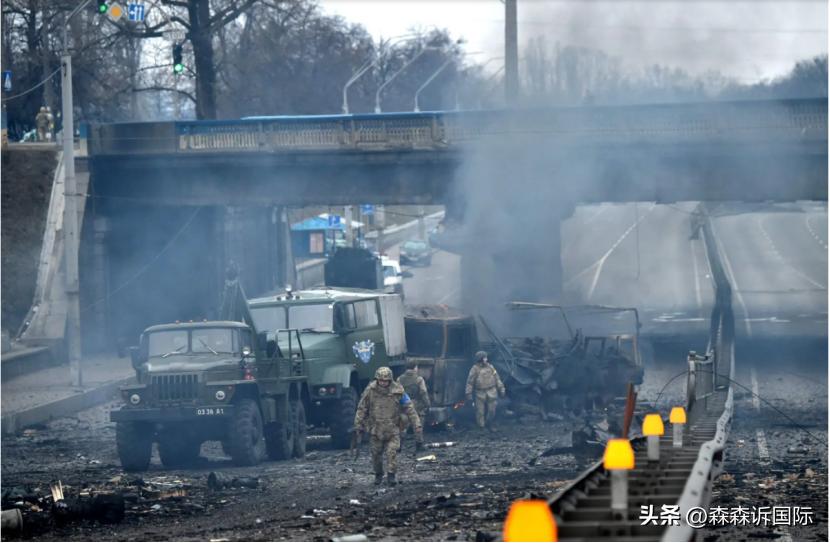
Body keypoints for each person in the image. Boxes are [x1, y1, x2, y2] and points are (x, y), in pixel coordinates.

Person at [354, 366, 423, 486]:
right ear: (377, 379)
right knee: (376, 455)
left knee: (392, 453)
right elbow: (362, 408)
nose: (383, 383)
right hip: (376, 429)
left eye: (385, 381)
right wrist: (358, 425)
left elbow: (409, 408)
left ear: (390, 380)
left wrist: (416, 423)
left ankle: (391, 475)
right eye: (381, 380)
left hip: (393, 429)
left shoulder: (398, 391)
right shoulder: (370, 390)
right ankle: (378, 474)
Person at [465, 351, 505, 430]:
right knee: (480, 412)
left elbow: (497, 378)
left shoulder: (490, 367)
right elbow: (470, 382)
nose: (486, 359)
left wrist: (501, 388)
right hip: (480, 392)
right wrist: (468, 394)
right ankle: (481, 426)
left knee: (492, 410)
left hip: (492, 391)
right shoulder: (475, 369)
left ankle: (489, 424)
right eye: (485, 357)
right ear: (481, 359)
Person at [397, 360, 431, 432]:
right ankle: (419, 440)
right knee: (418, 422)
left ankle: (401, 439)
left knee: (404, 424)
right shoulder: (419, 379)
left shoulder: (399, 379)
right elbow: (423, 393)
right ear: (415, 368)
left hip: (403, 405)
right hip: (416, 405)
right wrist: (428, 404)